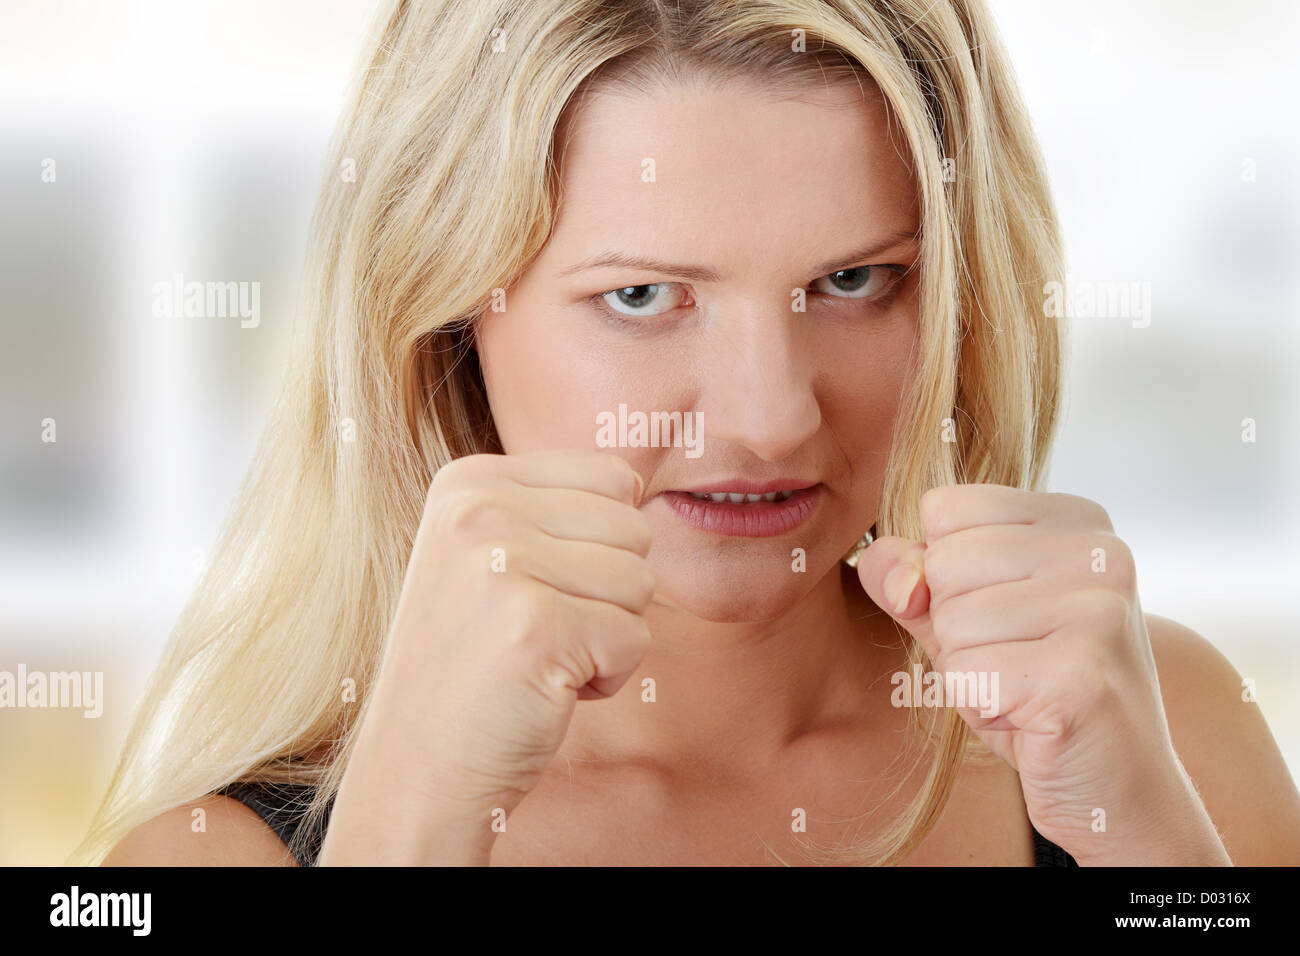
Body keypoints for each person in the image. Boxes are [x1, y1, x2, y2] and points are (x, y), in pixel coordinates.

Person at [81, 0, 1300, 867]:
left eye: (856, 280)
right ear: (444, 318)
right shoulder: (208, 860)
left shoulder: (1167, 731)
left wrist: (1152, 856)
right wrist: (411, 832)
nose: (770, 415)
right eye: (641, 296)